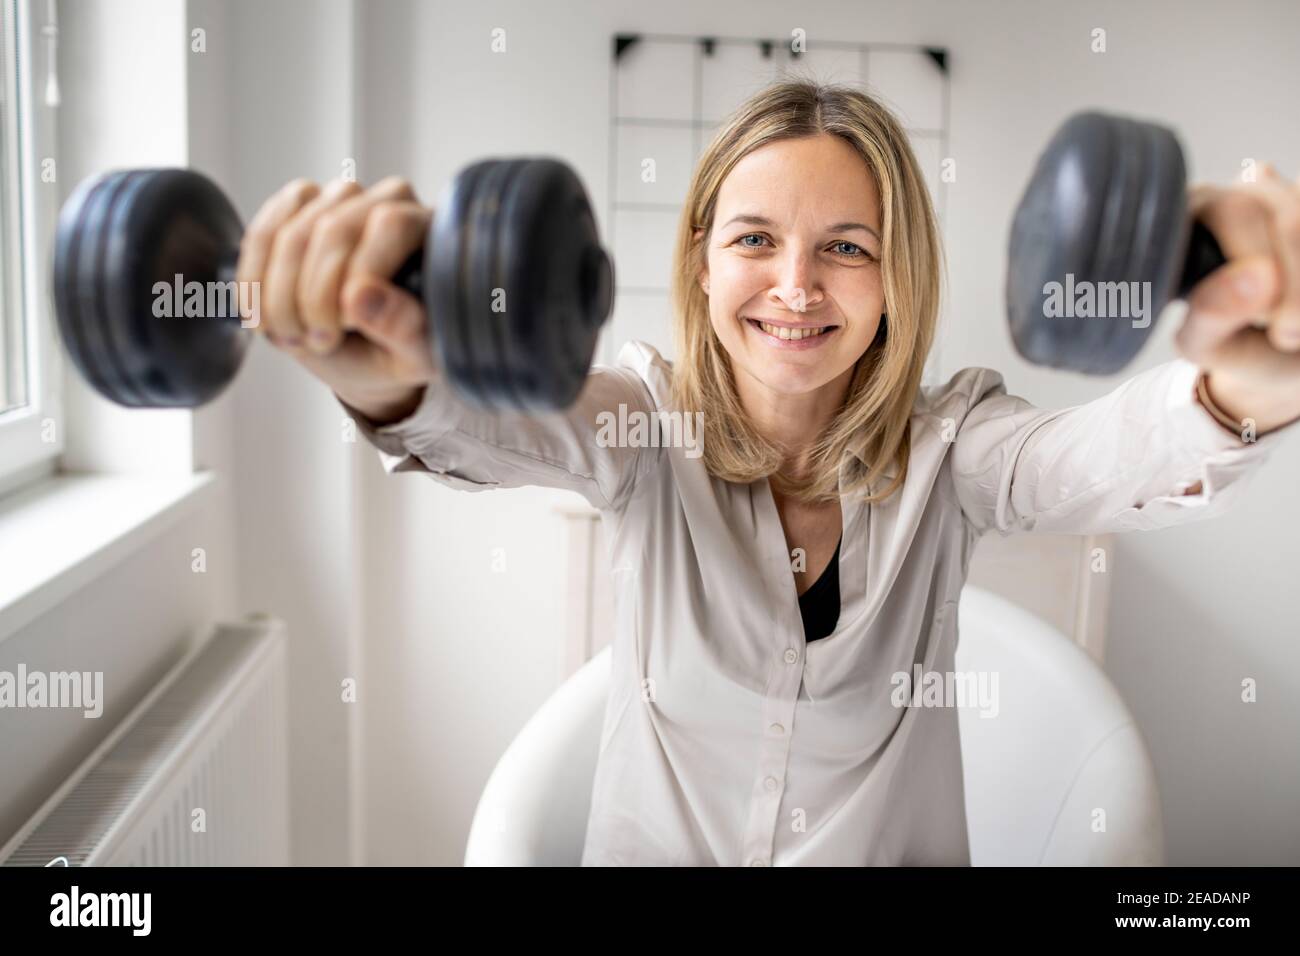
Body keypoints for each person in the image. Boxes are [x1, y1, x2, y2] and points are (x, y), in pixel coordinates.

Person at [236, 80, 1300, 865]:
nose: (796, 286)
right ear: (702, 264)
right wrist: (388, 378)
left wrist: (1245, 386)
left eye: (846, 246)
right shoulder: (643, 425)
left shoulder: (955, 448)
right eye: (755, 238)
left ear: (896, 279)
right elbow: (491, 420)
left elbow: (1111, 454)